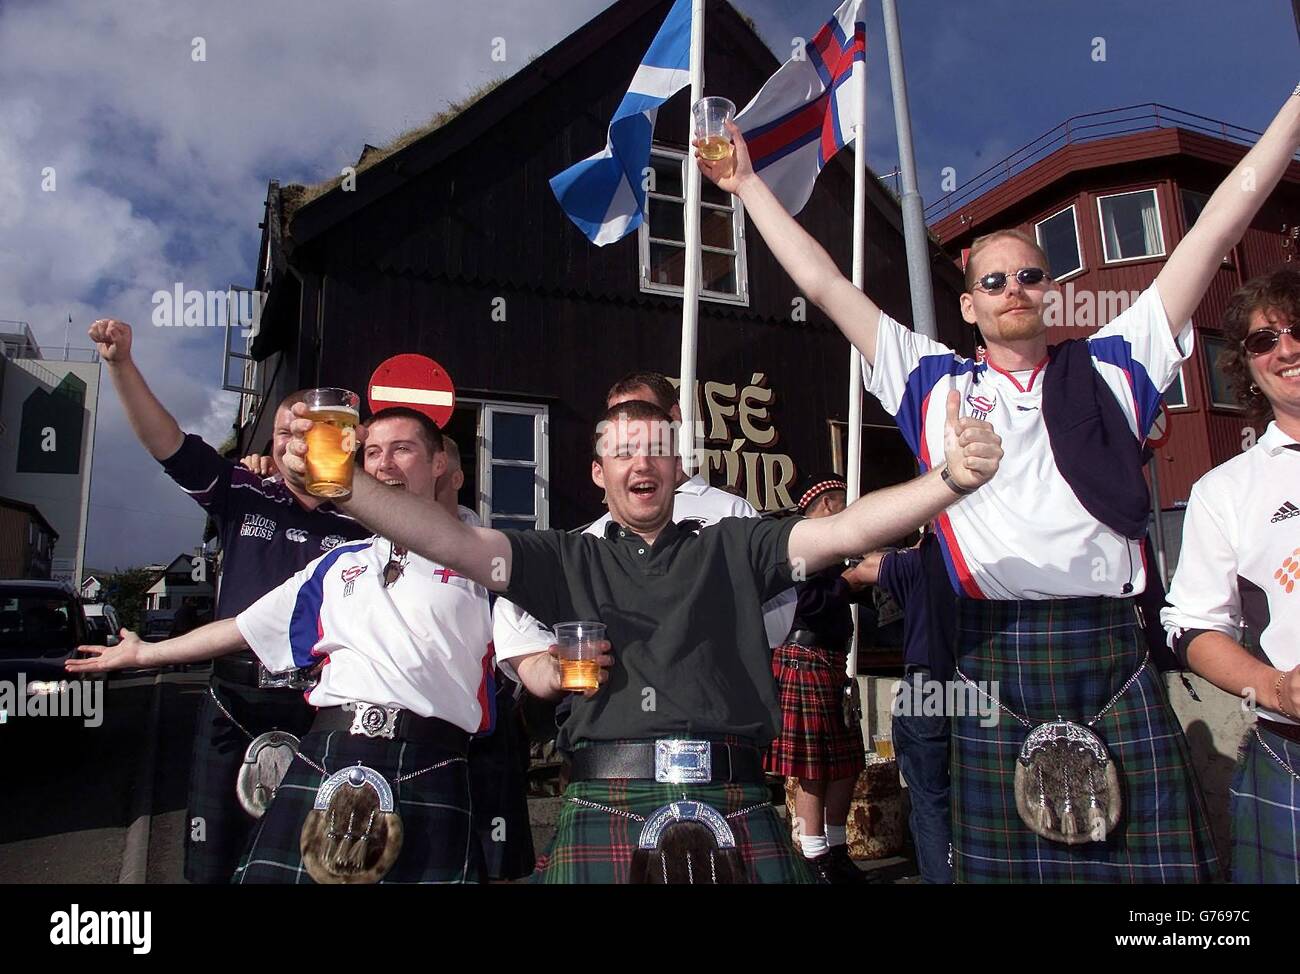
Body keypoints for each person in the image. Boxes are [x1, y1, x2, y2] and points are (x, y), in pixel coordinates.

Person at [695, 91, 1300, 882]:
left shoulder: (1118, 361)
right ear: (971, 306)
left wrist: (1290, 112)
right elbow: (824, 283)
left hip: (1113, 647)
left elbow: (1222, 217)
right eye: (993, 280)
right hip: (992, 652)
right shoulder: (928, 379)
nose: (1013, 286)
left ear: (1048, 291)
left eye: (1029, 274)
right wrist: (746, 187)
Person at [278, 393, 1002, 883]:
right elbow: (449, 540)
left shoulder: (737, 546)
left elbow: (847, 530)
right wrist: (340, 483)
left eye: (656, 448)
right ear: (599, 474)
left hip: (736, 795)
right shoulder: (563, 558)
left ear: (678, 467)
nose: (640, 462)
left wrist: (947, 481)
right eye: (622, 451)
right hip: (603, 800)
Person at [70, 408, 518, 884]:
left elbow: (530, 657)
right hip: (327, 750)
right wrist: (145, 654)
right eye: (371, 453)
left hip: (433, 761)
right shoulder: (336, 563)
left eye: (402, 449)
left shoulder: (487, 562)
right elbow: (241, 628)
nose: (384, 464)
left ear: (439, 466)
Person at [88, 318, 370, 884]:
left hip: (324, 707)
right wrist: (121, 365)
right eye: (285, 433)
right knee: (212, 862)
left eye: (308, 431)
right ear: (272, 443)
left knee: (314, 864)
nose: (294, 442)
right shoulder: (242, 491)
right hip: (235, 697)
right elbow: (165, 442)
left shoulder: (365, 519)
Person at [1162, 268, 1300, 883]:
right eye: (1263, 340)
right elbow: (1192, 629)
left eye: (1297, 330)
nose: (1286, 349)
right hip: (1291, 751)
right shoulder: (1224, 491)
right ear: (1246, 364)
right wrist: (1276, 690)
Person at [765, 473, 874, 884]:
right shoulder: (800, 543)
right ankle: (813, 856)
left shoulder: (829, 548)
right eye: (842, 500)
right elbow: (804, 601)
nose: (847, 507)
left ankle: (836, 846)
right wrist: (849, 581)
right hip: (803, 656)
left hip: (829, 660)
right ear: (826, 504)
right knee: (815, 766)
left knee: (846, 763)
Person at [439, 432, 538, 882]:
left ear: (456, 474)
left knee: (495, 863)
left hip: (489, 731)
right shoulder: (374, 547)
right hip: (415, 729)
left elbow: (521, 632)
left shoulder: (492, 548)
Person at [859, 531, 956, 884]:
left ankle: (940, 878)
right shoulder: (986, 561)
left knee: (930, 798)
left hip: (927, 681)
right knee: (976, 790)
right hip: (978, 682)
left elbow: (866, 567)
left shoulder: (920, 559)